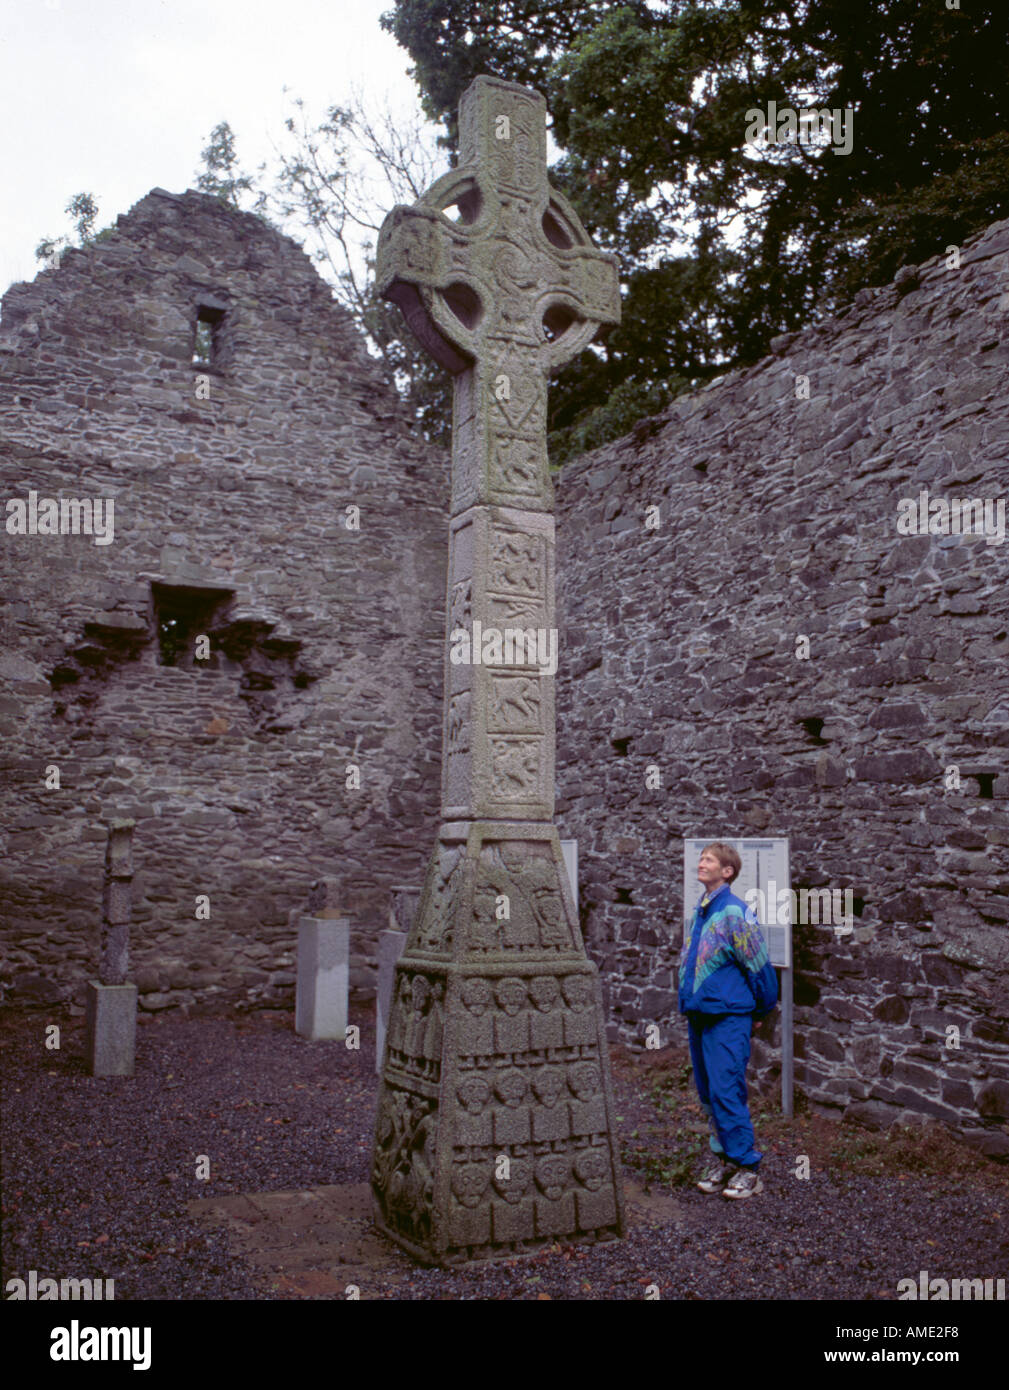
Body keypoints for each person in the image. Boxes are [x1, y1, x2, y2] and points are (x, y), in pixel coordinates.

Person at [678, 842, 778, 1198]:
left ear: (727, 871)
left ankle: (748, 1168)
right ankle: (725, 1160)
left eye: (709, 860)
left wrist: (760, 1011)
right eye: (701, 858)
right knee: (707, 1092)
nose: (701, 863)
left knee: (726, 1089)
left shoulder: (734, 912)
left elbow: (759, 964)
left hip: (728, 1016)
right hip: (701, 1013)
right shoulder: (703, 909)